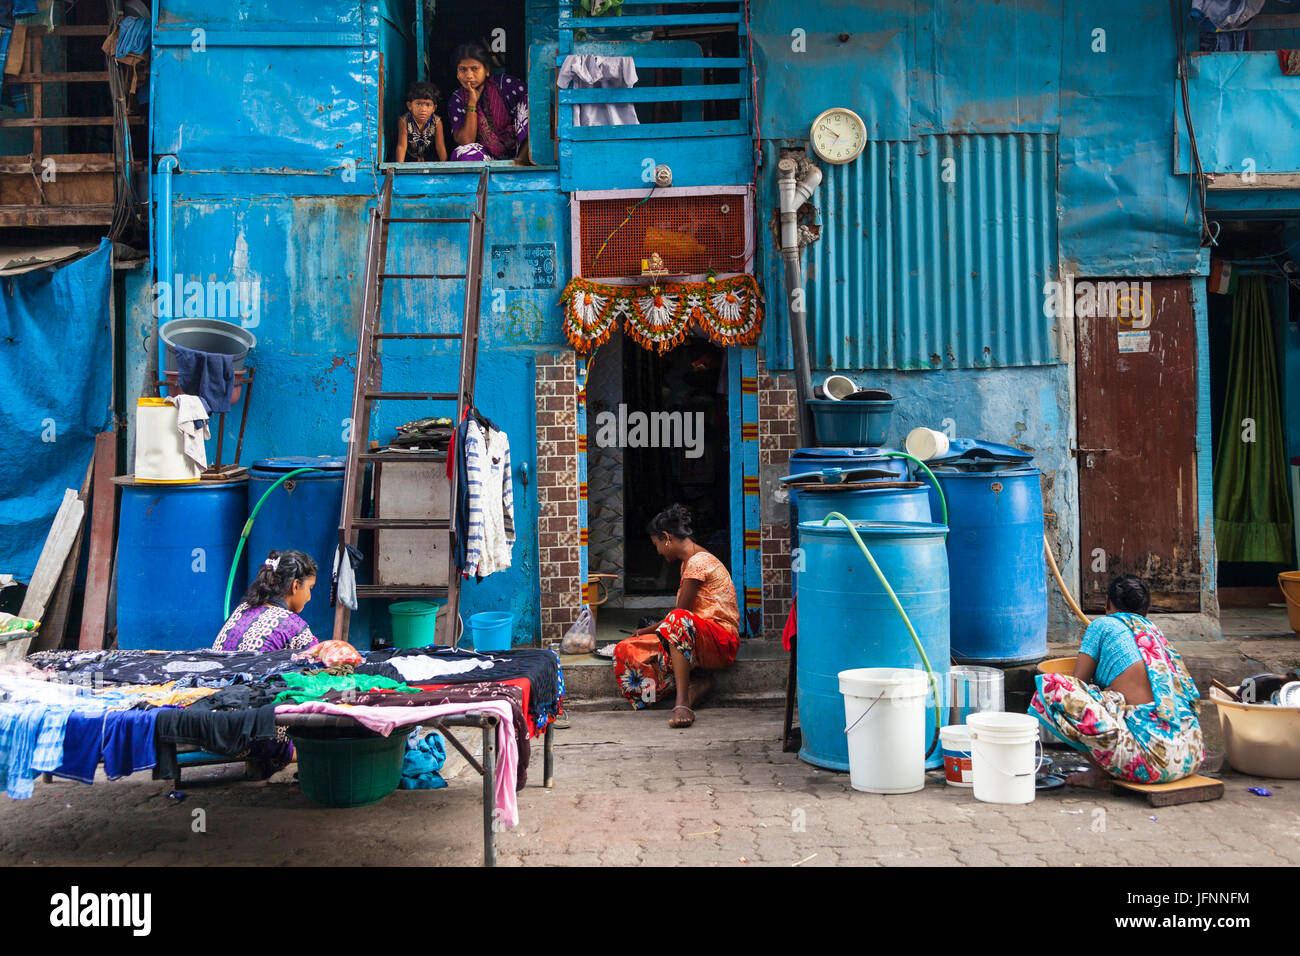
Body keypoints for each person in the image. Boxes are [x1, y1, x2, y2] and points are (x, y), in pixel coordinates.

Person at [1030, 574, 1204, 788]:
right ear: (1146, 610)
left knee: (1052, 688)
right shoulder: (1153, 632)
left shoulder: (1102, 626)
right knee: (1111, 696)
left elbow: (1076, 684)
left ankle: (1100, 775)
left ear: (1107, 602)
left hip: (1150, 763)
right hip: (1191, 753)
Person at [612, 504, 740, 727]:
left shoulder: (699, 562)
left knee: (676, 620)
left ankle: (683, 704)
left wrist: (646, 630)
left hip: (721, 641)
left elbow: (679, 616)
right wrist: (643, 634)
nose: (658, 551)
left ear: (666, 537)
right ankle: (697, 684)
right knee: (625, 648)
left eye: (657, 544)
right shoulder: (688, 562)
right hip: (697, 638)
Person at [213, 550, 320, 653]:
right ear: (295, 586)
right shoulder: (294, 625)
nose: (309, 597)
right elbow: (318, 658)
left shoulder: (242, 609)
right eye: (310, 588)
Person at [447, 44, 530, 163]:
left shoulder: (505, 84)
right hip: (486, 158)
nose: (469, 75)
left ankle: (522, 161)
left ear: (486, 70)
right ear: (457, 73)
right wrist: (472, 103)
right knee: (462, 153)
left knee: (530, 99)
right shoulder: (457, 98)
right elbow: (466, 141)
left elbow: (540, 110)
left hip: (519, 151)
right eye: (463, 69)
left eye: (474, 69)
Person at [395, 81, 447, 163]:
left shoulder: (437, 122)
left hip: (429, 157)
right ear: (409, 106)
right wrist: (399, 167)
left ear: (434, 108)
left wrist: (444, 166)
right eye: (418, 104)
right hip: (409, 157)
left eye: (427, 105)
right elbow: (402, 146)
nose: (423, 109)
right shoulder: (404, 121)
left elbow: (440, 146)